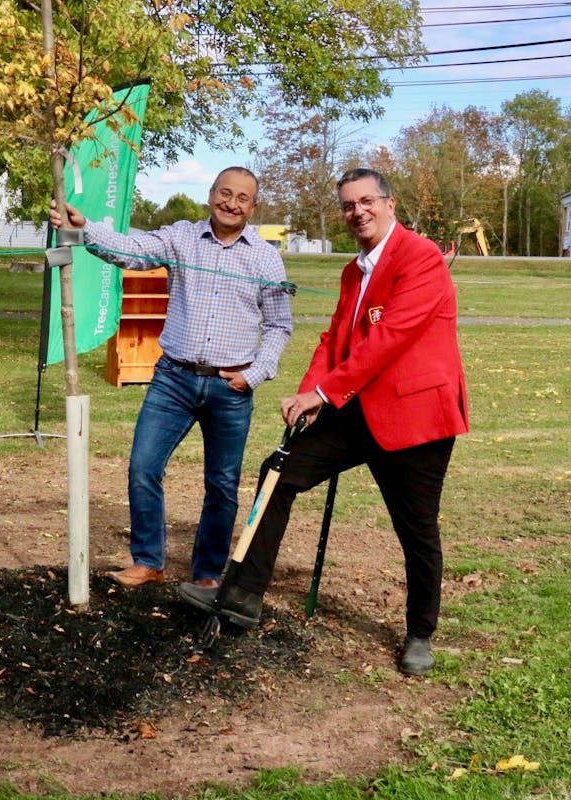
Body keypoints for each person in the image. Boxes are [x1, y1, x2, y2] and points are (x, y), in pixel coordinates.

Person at [179, 168, 469, 676]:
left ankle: (420, 632)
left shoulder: (420, 257)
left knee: (416, 529)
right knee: (279, 472)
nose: (358, 212)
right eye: (348, 205)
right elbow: (336, 337)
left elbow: (389, 339)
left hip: (416, 416)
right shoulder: (354, 270)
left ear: (388, 203)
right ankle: (242, 596)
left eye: (366, 202)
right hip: (357, 411)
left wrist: (324, 391)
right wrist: (309, 391)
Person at [50, 167, 293, 590]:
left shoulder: (266, 257)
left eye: (242, 198)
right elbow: (131, 249)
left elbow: (279, 325)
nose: (231, 204)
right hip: (173, 381)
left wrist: (254, 374)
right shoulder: (182, 237)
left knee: (221, 484)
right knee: (143, 467)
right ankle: (148, 561)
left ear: (253, 207)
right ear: (211, 194)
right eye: (225, 193)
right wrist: (85, 228)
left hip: (230, 389)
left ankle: (206, 573)